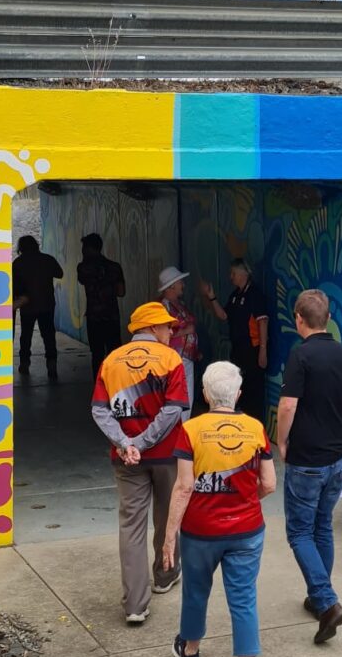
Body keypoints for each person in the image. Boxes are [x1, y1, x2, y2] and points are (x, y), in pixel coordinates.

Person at [163, 360, 276, 657]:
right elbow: (269, 483)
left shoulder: (191, 430)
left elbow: (184, 487)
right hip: (246, 530)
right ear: (238, 394)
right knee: (243, 600)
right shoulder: (256, 429)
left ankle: (191, 652)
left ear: (206, 394)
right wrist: (244, 501)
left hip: (200, 531)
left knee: (196, 591)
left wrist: (169, 538)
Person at [91, 301, 189, 625]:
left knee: (131, 526)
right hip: (165, 454)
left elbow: (100, 410)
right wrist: (144, 443)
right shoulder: (171, 359)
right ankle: (164, 576)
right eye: (166, 327)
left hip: (125, 459)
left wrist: (125, 443)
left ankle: (135, 605)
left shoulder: (110, 361)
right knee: (166, 516)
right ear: (152, 328)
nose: (170, 332)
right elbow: (174, 409)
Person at [276, 289, 342, 645]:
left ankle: (326, 602)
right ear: (327, 318)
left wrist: (281, 442)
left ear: (299, 318)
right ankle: (318, 596)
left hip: (306, 460)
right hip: (336, 459)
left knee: (299, 532)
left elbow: (287, 406)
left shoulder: (301, 355)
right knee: (322, 527)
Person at [200, 259, 269, 422]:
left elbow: (263, 321)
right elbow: (223, 316)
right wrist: (212, 297)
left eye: (233, 273)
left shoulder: (255, 294)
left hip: (253, 350)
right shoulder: (235, 295)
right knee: (240, 388)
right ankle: (241, 424)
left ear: (243, 273)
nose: (230, 277)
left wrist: (263, 350)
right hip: (238, 350)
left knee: (254, 391)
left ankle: (256, 430)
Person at [12, 235, 64, 381]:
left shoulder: (17, 263)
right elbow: (60, 273)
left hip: (27, 306)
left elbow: (13, 285)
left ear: (20, 248)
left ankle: (24, 363)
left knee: (26, 336)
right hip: (46, 304)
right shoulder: (47, 259)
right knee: (48, 336)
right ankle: (51, 365)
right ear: (36, 245)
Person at [78, 233, 126, 377]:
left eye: (84, 248)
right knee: (114, 352)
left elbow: (82, 281)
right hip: (112, 316)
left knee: (97, 354)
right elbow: (121, 292)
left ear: (88, 248)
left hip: (94, 317)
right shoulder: (115, 267)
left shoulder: (82, 268)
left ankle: (99, 387)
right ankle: (116, 384)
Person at [157, 265, 200, 418]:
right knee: (177, 394)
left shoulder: (178, 304)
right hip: (175, 358)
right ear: (172, 286)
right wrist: (186, 331)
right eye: (180, 282)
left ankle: (183, 427)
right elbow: (162, 330)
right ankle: (176, 428)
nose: (183, 285)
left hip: (186, 357)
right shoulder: (163, 306)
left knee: (186, 394)